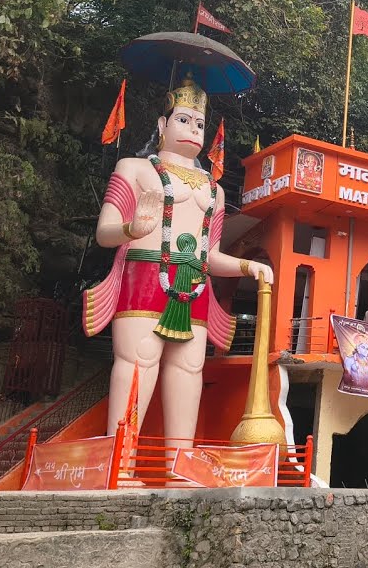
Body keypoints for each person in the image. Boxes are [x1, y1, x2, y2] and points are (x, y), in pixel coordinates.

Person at [82, 77, 275, 449]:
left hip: (195, 285)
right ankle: (119, 464)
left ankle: (178, 464)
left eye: (200, 124)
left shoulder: (213, 190)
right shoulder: (134, 169)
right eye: (183, 120)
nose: (193, 130)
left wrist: (247, 267)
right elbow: (105, 232)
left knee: (189, 369)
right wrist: (131, 227)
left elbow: (211, 253)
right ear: (161, 125)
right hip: (145, 277)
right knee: (139, 361)